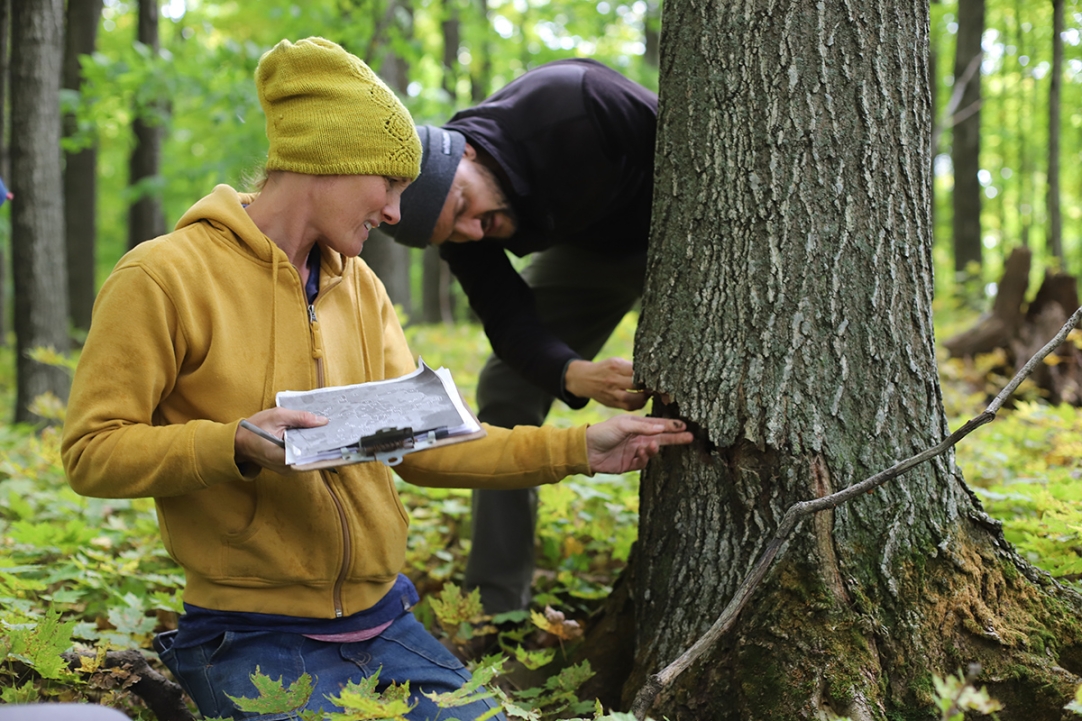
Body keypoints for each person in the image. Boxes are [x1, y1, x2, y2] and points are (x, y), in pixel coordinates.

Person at [60, 38, 690, 721]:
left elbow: (422, 446)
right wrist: (233, 442)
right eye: (388, 185)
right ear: (328, 164)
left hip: (388, 622)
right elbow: (92, 452)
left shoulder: (359, 287)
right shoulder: (163, 277)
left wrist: (579, 447)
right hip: (247, 635)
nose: (395, 213)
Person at [384, 59, 658, 614]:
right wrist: (573, 372)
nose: (471, 230)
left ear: (467, 152)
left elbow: (702, 154)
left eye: (464, 207)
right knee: (507, 386)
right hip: (594, 252)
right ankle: (499, 606)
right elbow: (509, 322)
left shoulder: (578, 104)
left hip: (687, 224)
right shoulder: (463, 231)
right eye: (451, 233)